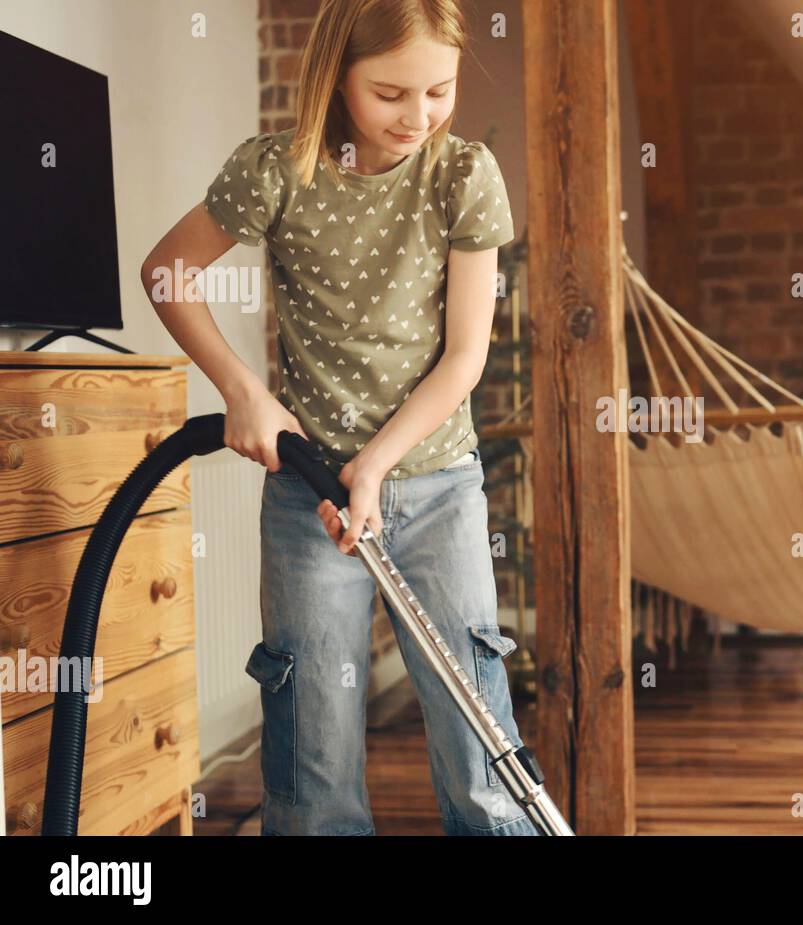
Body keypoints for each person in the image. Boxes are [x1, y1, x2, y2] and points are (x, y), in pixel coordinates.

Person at [141, 0, 534, 835]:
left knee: (479, 742)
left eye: (440, 90)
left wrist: (378, 465)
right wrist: (242, 389)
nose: (418, 116)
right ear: (336, 75)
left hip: (437, 489)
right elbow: (169, 271)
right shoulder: (278, 172)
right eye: (391, 93)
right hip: (307, 498)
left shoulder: (464, 175)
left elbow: (465, 358)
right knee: (311, 758)